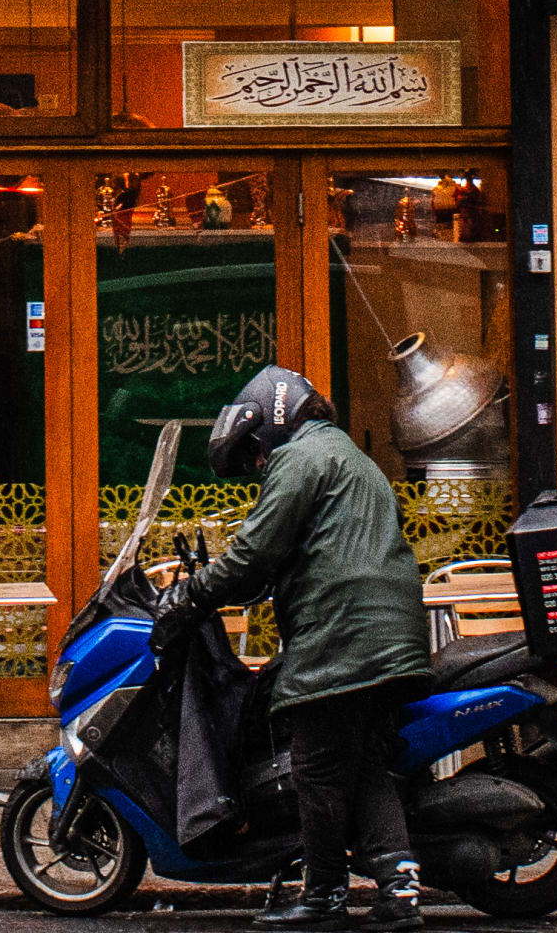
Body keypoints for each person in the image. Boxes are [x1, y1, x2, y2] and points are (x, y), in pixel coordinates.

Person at [171, 363, 434, 930]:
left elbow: (253, 551)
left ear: (270, 426)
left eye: (254, 454)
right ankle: (399, 890)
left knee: (315, 769)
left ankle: (323, 897)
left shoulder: (299, 457)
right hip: (394, 634)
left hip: (344, 637)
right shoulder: (345, 456)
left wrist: (189, 595)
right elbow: (316, 548)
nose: (258, 465)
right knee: (365, 763)